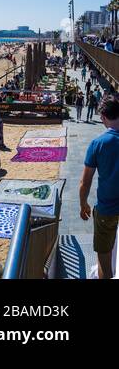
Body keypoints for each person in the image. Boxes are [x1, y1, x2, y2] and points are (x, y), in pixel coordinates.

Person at [80, 97, 119, 279]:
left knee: (104, 259)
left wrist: (83, 205)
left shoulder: (98, 143)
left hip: (107, 210)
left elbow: (85, 182)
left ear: (103, 117)